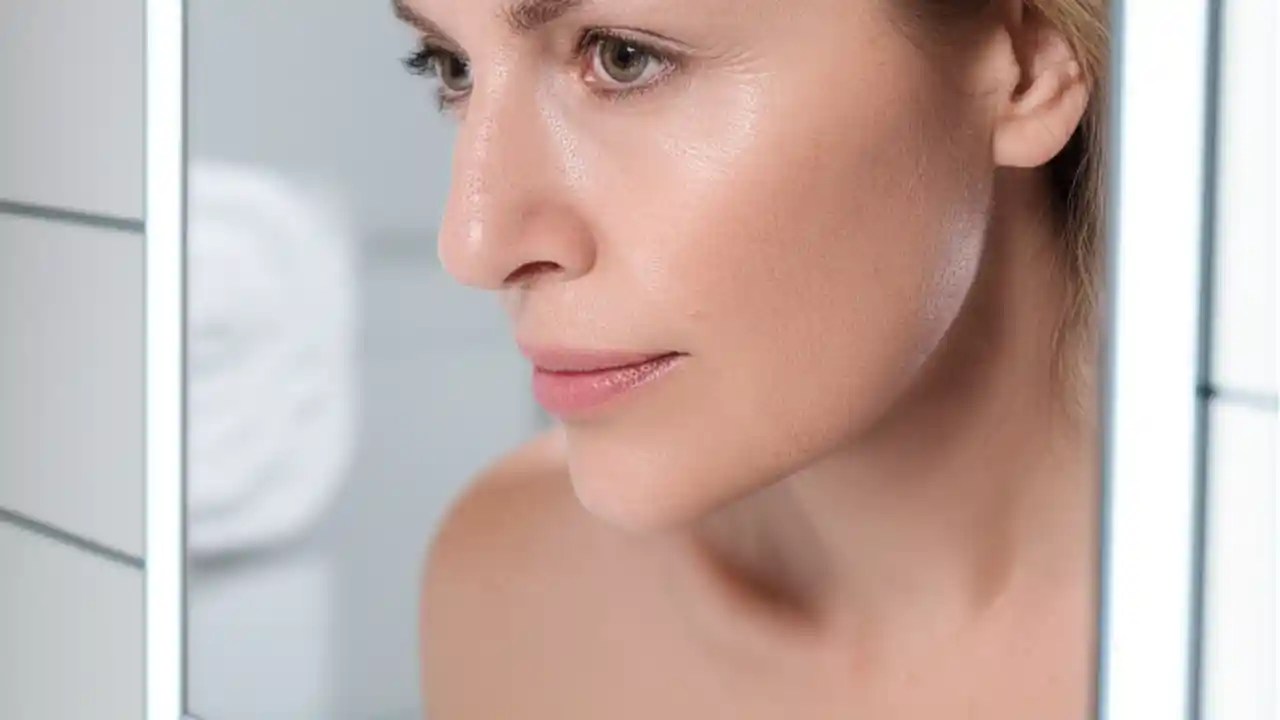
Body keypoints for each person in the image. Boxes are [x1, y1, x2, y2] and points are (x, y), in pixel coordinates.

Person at [397, 0, 1107, 716]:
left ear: (1027, 68)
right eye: (454, 68)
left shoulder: (1186, 653)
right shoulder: (520, 601)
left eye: (622, 58)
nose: (475, 245)